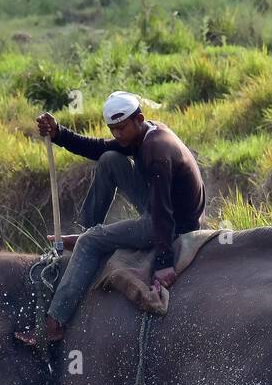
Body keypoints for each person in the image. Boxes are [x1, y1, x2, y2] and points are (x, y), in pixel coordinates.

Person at [18, 90, 206, 345]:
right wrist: (58, 134)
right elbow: (99, 148)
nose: (117, 134)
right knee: (109, 160)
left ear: (139, 118)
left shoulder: (157, 151)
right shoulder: (140, 135)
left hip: (171, 223)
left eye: (122, 128)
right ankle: (85, 230)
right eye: (113, 129)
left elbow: (162, 211)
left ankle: (54, 324)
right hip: (160, 206)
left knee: (91, 242)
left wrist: (164, 262)